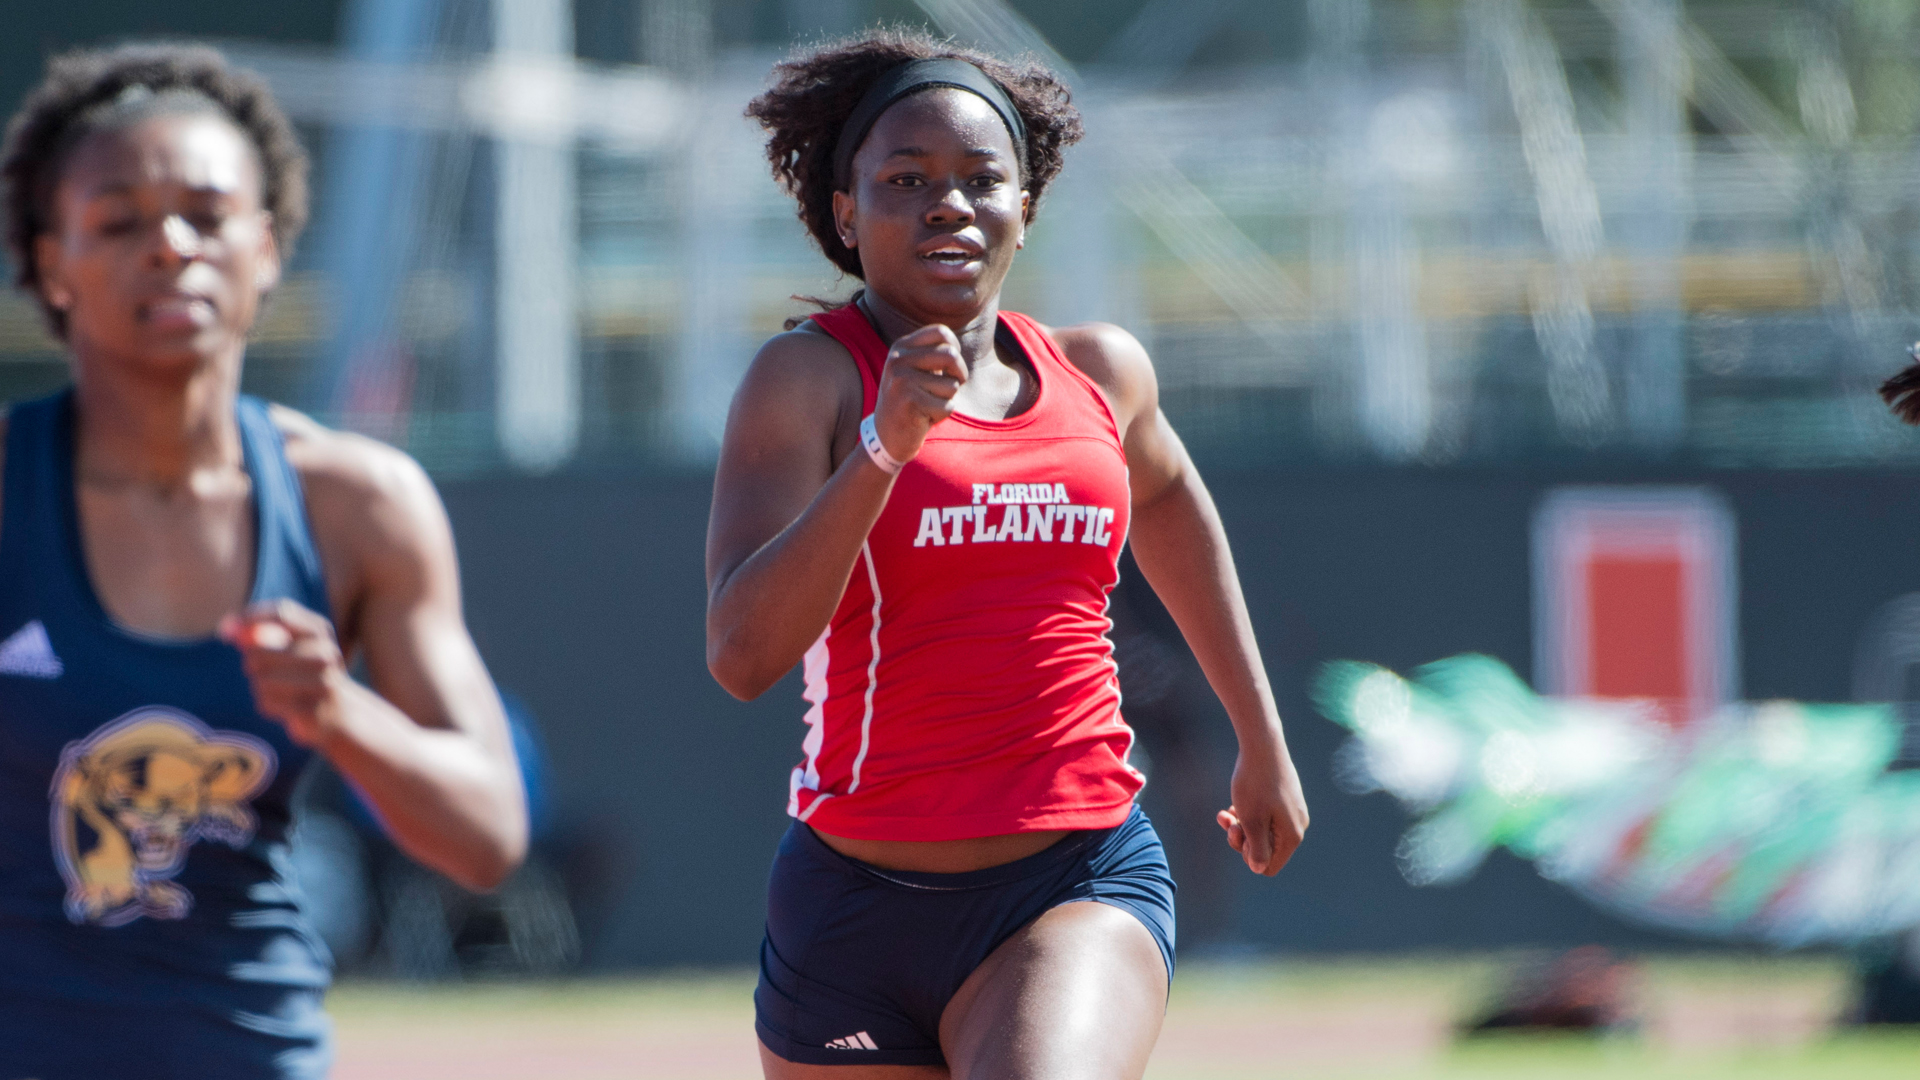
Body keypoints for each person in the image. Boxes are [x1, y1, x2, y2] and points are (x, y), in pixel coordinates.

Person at [710, 30, 1310, 1079]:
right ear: (845, 213)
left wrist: (1259, 737)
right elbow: (742, 654)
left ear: (1025, 207)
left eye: (982, 179)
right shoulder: (810, 382)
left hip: (1073, 880)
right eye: (905, 180)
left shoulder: (1099, 372)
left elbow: (1170, 502)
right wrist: (881, 450)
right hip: (852, 906)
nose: (948, 203)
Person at [0, 45, 528, 1078]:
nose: (169, 246)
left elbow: (488, 836)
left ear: (271, 246)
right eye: (118, 220)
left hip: (251, 1051)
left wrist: (338, 710)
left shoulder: (359, 505)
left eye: (206, 214)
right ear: (50, 261)